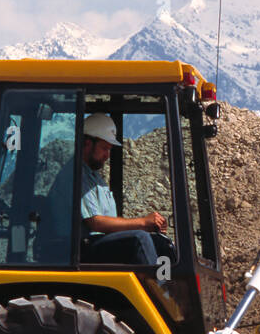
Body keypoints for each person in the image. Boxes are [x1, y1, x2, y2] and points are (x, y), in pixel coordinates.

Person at [50, 112, 173, 266]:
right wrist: (142, 222)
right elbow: (95, 222)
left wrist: (149, 226)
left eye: (109, 150)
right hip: (77, 248)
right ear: (88, 143)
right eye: (104, 148)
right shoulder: (75, 175)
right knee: (139, 239)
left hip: (96, 243)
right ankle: (159, 288)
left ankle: (168, 284)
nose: (107, 155)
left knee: (160, 242)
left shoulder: (94, 178)